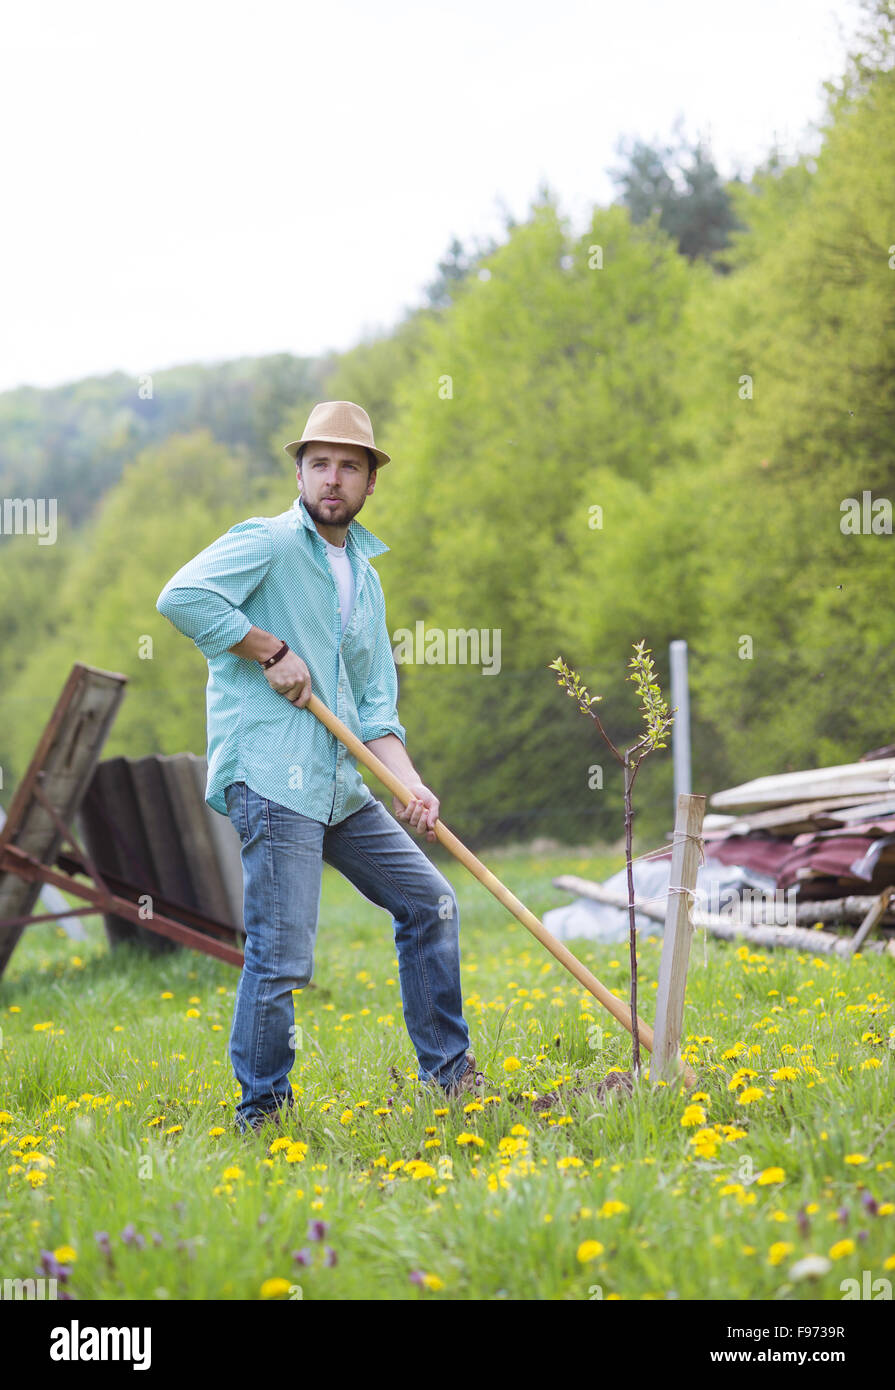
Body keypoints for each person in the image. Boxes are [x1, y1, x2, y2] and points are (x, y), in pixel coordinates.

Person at [156, 401, 484, 1134]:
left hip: (339, 785)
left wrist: (409, 783)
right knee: (282, 955)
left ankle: (452, 1077)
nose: (332, 479)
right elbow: (182, 597)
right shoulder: (267, 542)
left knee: (429, 903)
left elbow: (373, 710)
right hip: (274, 778)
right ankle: (262, 1113)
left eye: (349, 466)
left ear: (370, 481)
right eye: (319, 464)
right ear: (300, 471)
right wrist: (268, 650)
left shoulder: (364, 578)